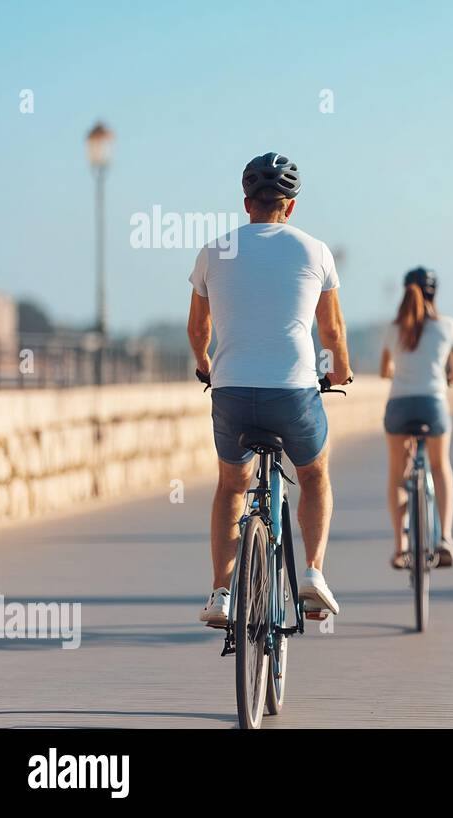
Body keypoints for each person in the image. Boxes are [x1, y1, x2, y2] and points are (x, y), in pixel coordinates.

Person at [188, 152, 352, 626]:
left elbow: (199, 330)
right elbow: (334, 331)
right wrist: (340, 370)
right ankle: (314, 574)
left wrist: (204, 365)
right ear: (291, 207)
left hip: (232, 391)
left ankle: (221, 591)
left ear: (246, 204)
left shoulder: (214, 250)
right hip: (293, 391)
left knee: (231, 486)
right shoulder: (315, 251)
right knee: (316, 474)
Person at [381, 267, 453, 568]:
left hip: (399, 407)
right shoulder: (447, 326)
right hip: (433, 404)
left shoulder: (394, 328)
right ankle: (445, 537)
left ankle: (400, 545)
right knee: (440, 464)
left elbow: (385, 371)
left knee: (397, 473)